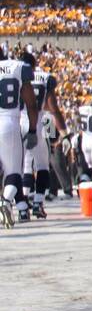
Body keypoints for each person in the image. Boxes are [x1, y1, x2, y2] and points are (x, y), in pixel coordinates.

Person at [18, 50, 68, 219]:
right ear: (34, 65)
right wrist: (64, 134)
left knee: (23, 165)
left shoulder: (13, 73)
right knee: (42, 165)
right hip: (38, 121)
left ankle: (22, 204)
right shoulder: (44, 78)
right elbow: (53, 108)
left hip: (17, 121)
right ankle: (38, 202)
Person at [0, 46, 40, 227]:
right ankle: (6, 201)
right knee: (14, 172)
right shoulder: (17, 67)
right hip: (9, 122)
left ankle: (16, 204)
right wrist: (32, 130)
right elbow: (32, 105)